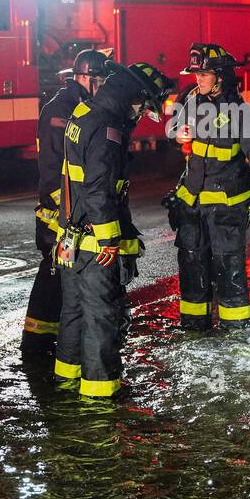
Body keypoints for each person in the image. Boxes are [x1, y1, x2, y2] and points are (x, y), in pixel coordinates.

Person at [53, 61, 174, 398]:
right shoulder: (109, 129)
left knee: (73, 312)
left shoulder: (83, 114)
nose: (139, 114)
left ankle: (66, 382)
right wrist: (109, 240)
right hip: (95, 245)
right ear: (128, 95)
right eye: (140, 105)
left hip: (71, 238)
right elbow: (99, 189)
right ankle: (100, 397)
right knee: (101, 318)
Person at [165, 43, 250, 331]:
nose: (197, 80)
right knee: (192, 262)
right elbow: (174, 130)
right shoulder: (189, 99)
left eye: (203, 75)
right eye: (196, 75)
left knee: (227, 265)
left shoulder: (238, 110)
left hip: (227, 202)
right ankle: (194, 326)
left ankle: (235, 333)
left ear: (220, 76)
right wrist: (178, 136)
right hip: (192, 199)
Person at [22, 48, 112, 357]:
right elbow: (53, 169)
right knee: (52, 274)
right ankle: (35, 348)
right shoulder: (60, 110)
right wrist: (68, 213)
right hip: (56, 214)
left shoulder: (81, 105)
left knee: (64, 277)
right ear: (84, 78)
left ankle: (56, 343)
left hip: (69, 212)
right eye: (98, 81)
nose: (102, 88)